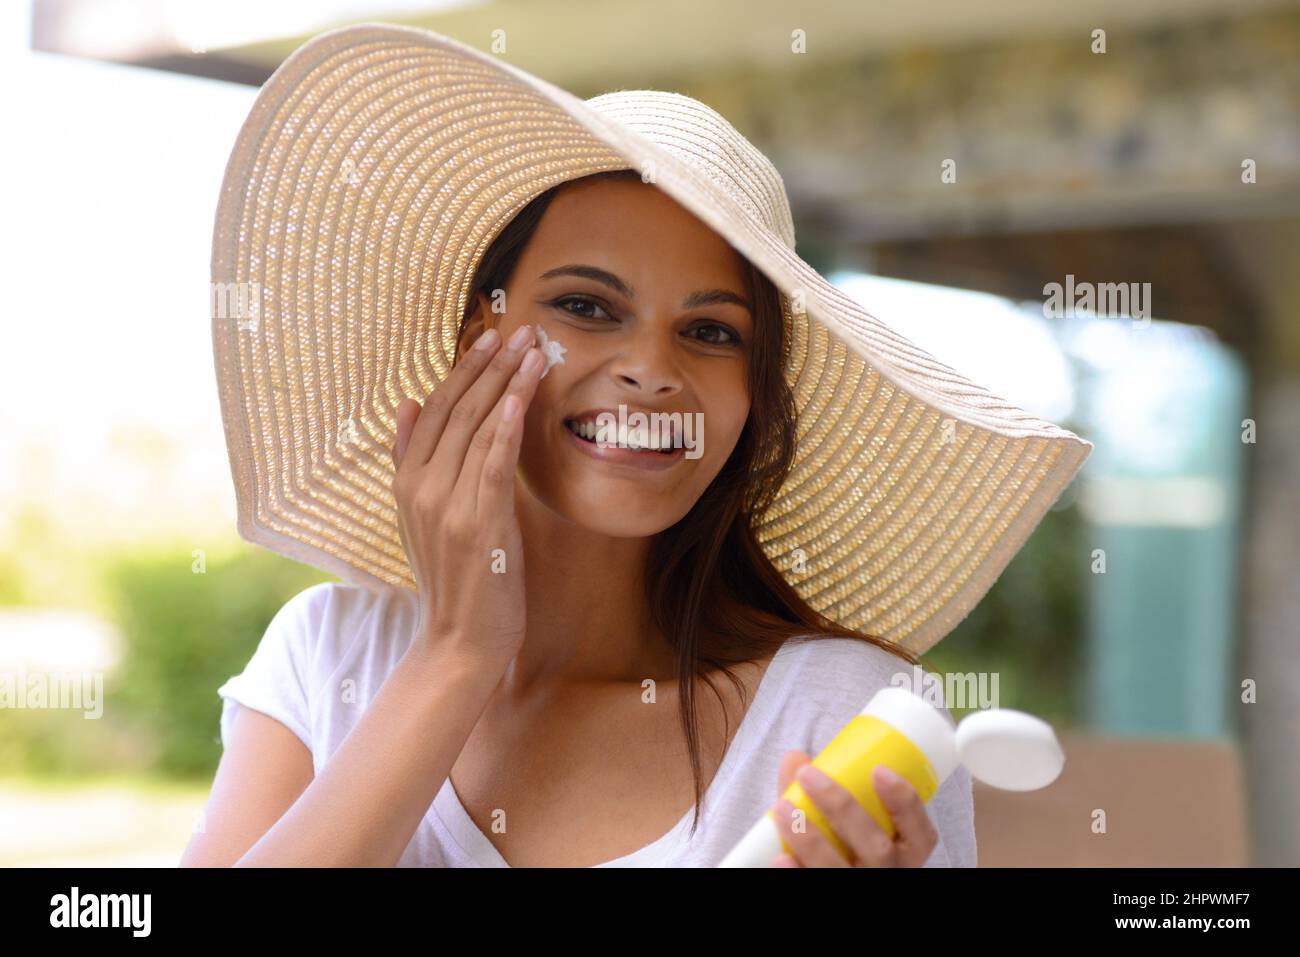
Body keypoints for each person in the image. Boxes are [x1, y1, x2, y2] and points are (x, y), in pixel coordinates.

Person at [189, 24, 1089, 868]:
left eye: (711, 331)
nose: (652, 370)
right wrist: (458, 652)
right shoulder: (327, 654)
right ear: (478, 344)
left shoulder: (848, 714)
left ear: (754, 404)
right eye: (585, 307)